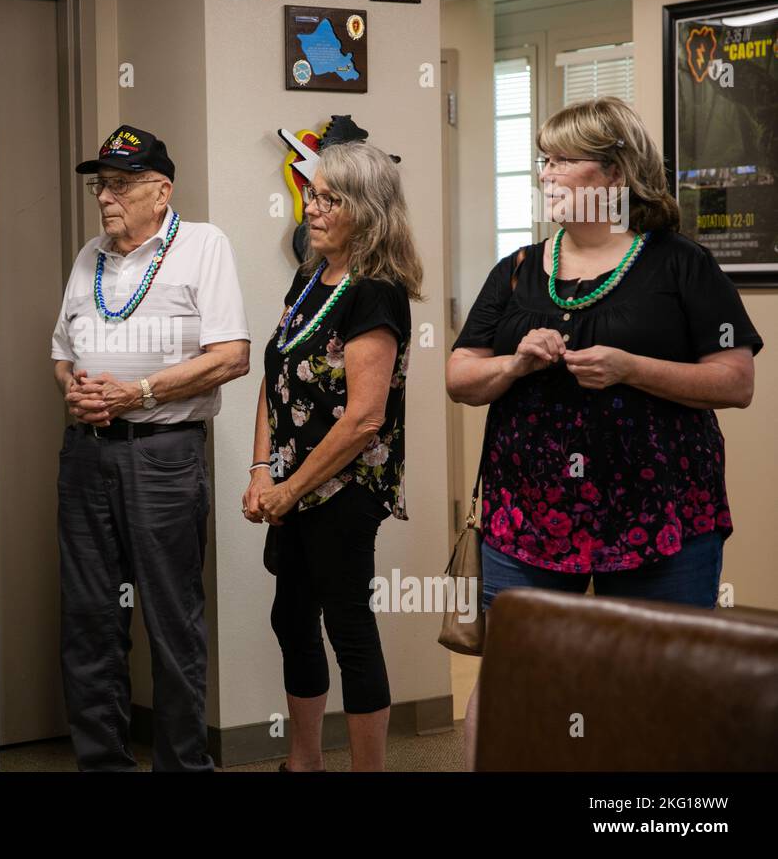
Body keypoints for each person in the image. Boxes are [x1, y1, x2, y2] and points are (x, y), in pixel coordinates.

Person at [446, 96, 763, 768]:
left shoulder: (681, 266)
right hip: (528, 517)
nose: (545, 175)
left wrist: (631, 369)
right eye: (543, 160)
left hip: (661, 517)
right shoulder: (519, 270)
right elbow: (460, 375)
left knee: (663, 686)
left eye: (562, 161)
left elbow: (735, 381)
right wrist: (514, 363)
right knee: (512, 677)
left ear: (615, 174)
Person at [52, 124, 251, 771]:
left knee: (171, 622)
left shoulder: (202, 246)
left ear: (160, 191)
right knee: (89, 620)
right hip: (86, 454)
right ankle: (103, 764)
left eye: (120, 185)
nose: (105, 197)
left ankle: (184, 767)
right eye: (100, 184)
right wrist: (77, 391)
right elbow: (62, 353)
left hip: (163, 455)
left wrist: (135, 395)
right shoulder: (89, 256)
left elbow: (231, 358)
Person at [243, 141, 422, 773]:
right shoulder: (311, 275)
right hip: (290, 483)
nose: (311, 209)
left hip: (344, 491)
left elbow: (363, 419)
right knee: (290, 617)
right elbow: (277, 372)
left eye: (327, 199)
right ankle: (305, 762)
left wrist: (288, 493)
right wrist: (261, 468)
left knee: (349, 629)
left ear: (367, 211)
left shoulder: (377, 293)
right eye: (310, 195)